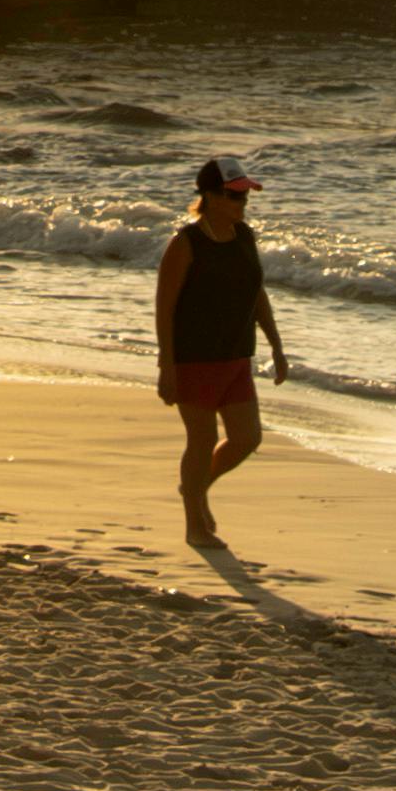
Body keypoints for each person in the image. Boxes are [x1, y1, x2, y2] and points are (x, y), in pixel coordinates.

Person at [153, 154, 288, 544]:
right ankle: (195, 524)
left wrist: (276, 346)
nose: (242, 205)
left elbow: (256, 293)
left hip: (236, 357)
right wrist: (167, 366)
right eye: (234, 197)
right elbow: (165, 307)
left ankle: (194, 490)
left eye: (245, 197)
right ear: (211, 197)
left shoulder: (244, 237)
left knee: (247, 438)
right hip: (194, 359)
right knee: (202, 441)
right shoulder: (186, 243)